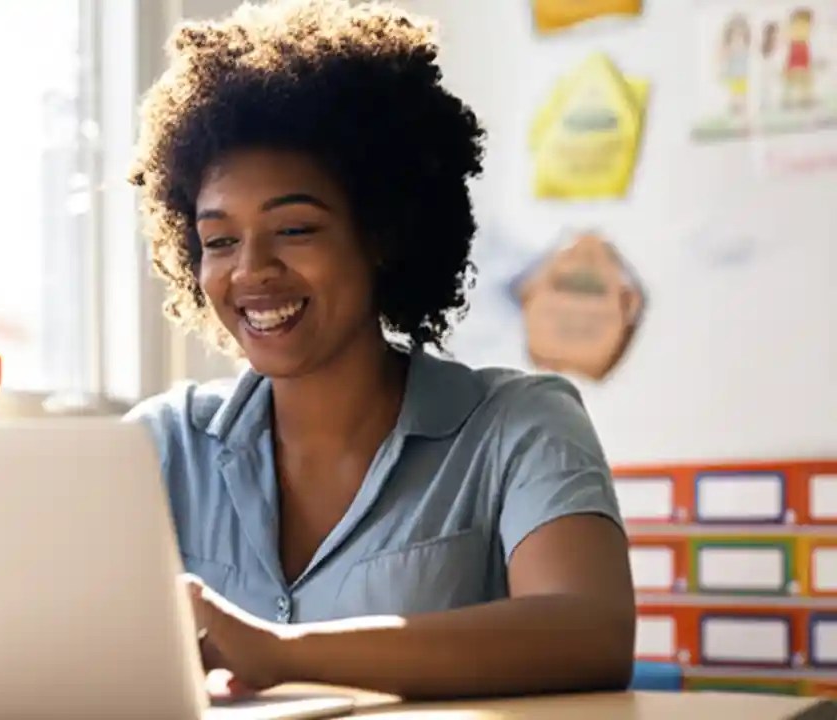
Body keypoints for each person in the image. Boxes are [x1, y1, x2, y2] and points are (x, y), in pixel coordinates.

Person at [125, 0, 635, 701]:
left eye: (296, 229)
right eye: (219, 240)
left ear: (384, 234)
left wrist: (282, 652)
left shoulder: (519, 425)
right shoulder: (157, 447)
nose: (250, 270)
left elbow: (589, 634)